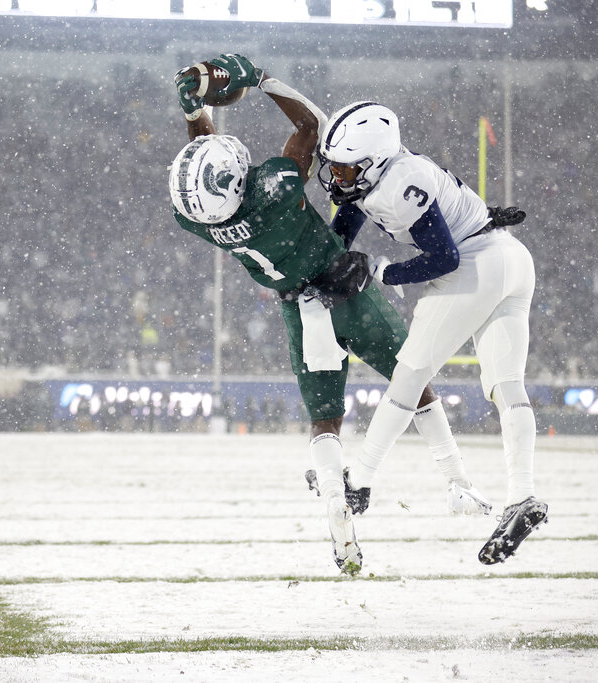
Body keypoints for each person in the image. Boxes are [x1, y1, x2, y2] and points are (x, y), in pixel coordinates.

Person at [169, 54, 489, 575]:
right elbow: (309, 126)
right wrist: (260, 79)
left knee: (324, 422)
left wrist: (193, 111)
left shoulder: (201, 221)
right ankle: (458, 483)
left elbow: (206, 165)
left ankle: (341, 531)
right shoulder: (276, 188)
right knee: (414, 381)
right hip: (345, 290)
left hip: (300, 310)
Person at [314, 100, 548, 565]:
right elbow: (347, 225)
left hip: (475, 265)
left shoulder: (398, 184)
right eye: (334, 167)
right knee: (507, 388)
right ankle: (523, 496)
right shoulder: (384, 174)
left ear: (373, 159)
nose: (337, 176)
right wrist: (328, 257)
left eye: (345, 168)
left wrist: (380, 271)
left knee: (408, 378)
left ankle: (358, 482)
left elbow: (446, 259)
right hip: (512, 259)